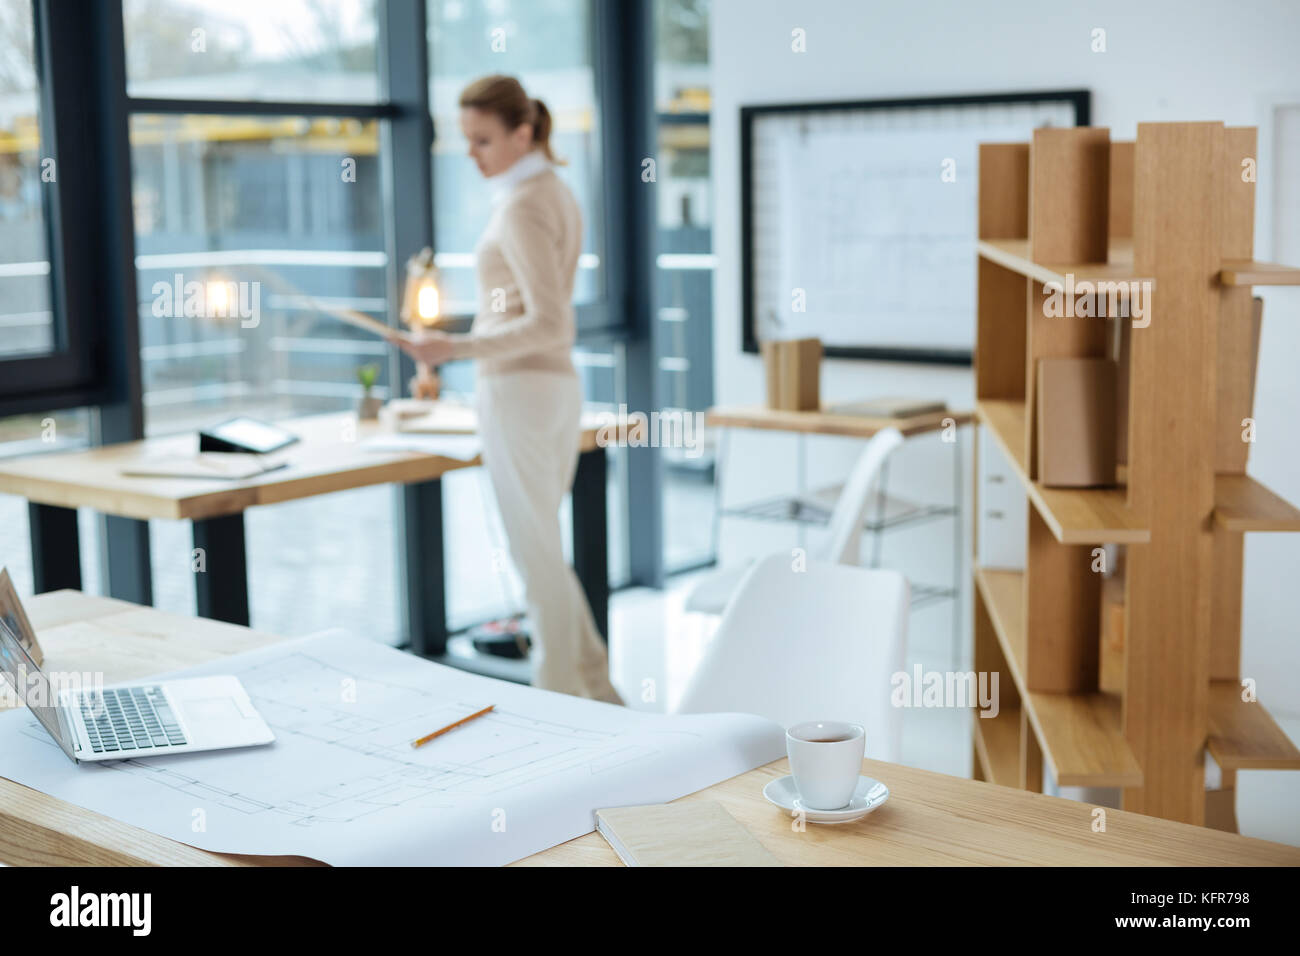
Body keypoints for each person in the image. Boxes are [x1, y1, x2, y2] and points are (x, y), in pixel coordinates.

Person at [391, 75, 622, 704]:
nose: (472, 154)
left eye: (483, 139)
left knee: (536, 559)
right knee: (545, 552)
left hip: (521, 392)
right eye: (466, 140)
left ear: (523, 133)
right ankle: (598, 695)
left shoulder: (522, 204)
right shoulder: (551, 191)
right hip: (547, 391)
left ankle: (560, 706)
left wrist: (453, 348)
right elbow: (533, 313)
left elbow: (551, 321)